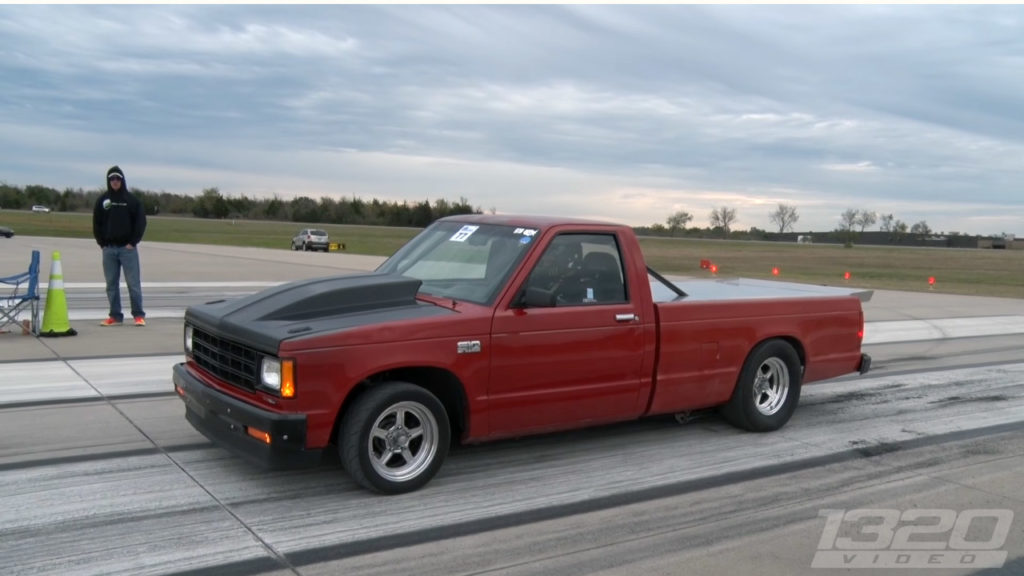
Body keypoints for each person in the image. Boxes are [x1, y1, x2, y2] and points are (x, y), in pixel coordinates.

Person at [92, 165, 147, 326]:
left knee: (133, 284)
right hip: (109, 249)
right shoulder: (102, 200)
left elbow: (141, 223)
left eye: (117, 178)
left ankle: (138, 315)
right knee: (111, 285)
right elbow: (97, 223)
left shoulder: (132, 201)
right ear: (109, 181)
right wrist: (101, 243)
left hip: (127, 249)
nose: (115, 181)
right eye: (112, 179)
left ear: (122, 180)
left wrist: (132, 243)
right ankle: (115, 316)